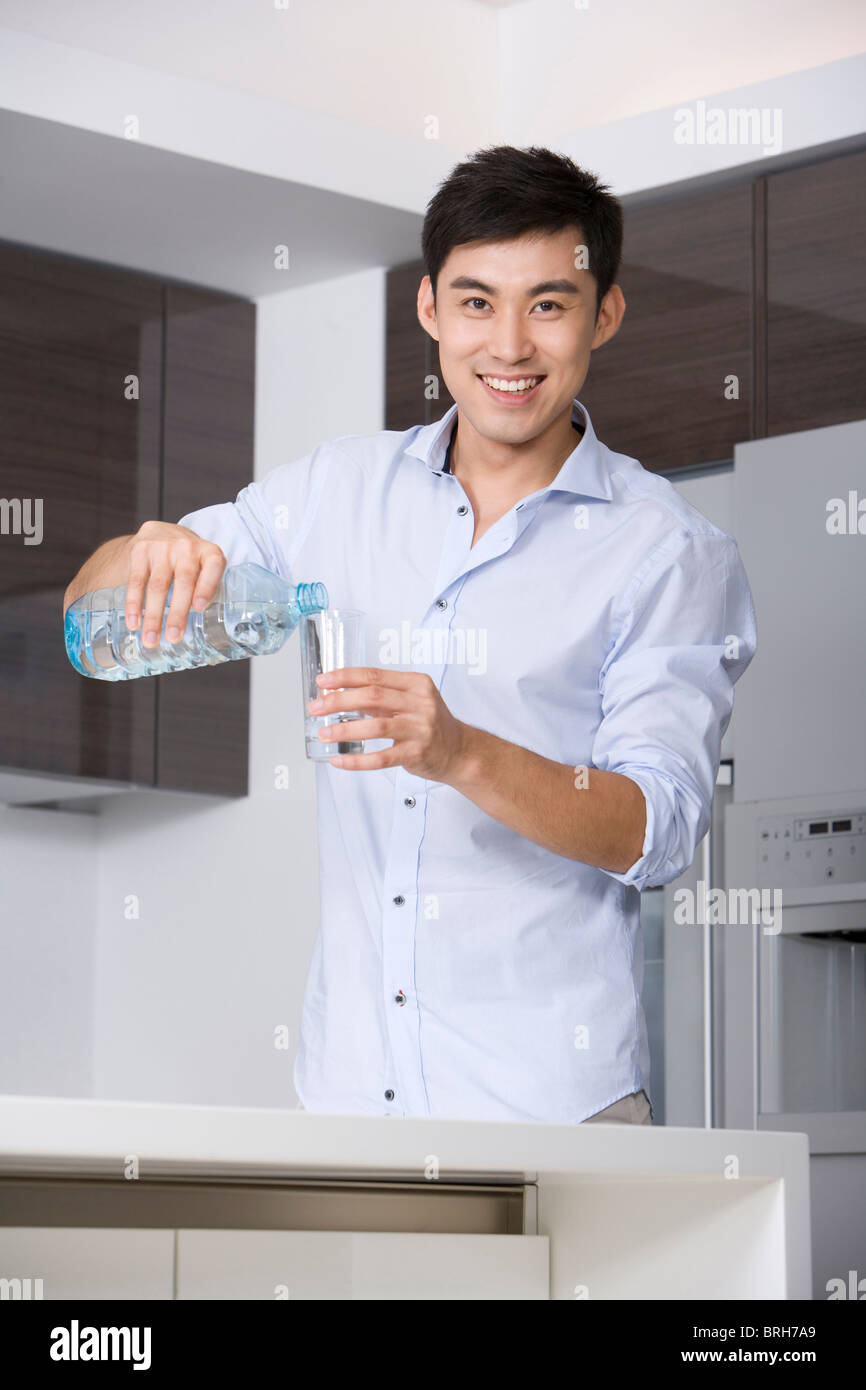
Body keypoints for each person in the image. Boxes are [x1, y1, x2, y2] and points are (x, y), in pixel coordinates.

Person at [64, 145, 756, 1126]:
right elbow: (89, 614)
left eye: (547, 304)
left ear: (602, 313)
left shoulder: (667, 550)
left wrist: (461, 751)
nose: (508, 345)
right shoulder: (331, 492)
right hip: (348, 1106)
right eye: (476, 303)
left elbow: (657, 828)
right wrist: (143, 551)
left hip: (551, 1114)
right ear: (429, 308)